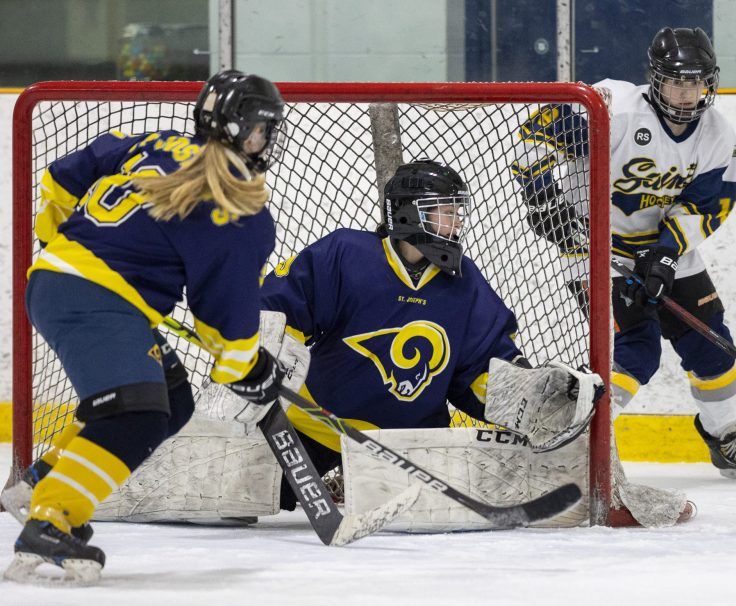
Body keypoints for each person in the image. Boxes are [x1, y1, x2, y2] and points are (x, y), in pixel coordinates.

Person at [2, 69, 288, 585]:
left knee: (172, 400)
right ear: (248, 132)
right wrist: (247, 366)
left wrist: (56, 238)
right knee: (136, 417)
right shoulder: (238, 205)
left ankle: (46, 478)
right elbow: (223, 311)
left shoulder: (159, 143)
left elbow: (63, 176)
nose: (266, 141)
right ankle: (49, 521)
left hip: (58, 283)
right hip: (95, 301)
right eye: (264, 129)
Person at [512, 27, 736, 480]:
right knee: (637, 349)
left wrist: (664, 254)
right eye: (677, 82)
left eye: (696, 82)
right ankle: (580, 442)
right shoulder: (613, 107)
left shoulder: (716, 132)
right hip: (595, 248)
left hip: (664, 251)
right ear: (656, 80)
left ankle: (725, 439)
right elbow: (536, 135)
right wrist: (544, 198)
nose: (687, 93)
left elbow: (708, 204)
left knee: (712, 345)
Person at [258, 159, 596, 511]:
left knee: (423, 518)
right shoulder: (346, 254)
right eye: (447, 212)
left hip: (412, 444)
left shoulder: (465, 283)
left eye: (458, 212)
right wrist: (268, 360)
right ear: (408, 214)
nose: (458, 222)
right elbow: (279, 310)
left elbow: (481, 370)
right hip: (314, 424)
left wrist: (531, 393)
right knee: (246, 494)